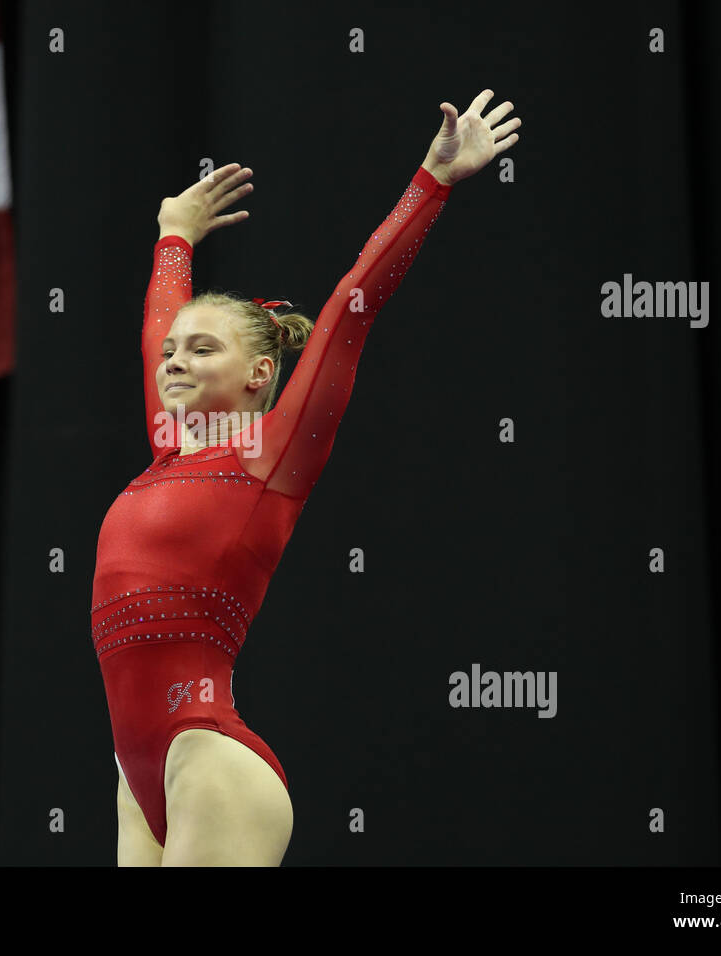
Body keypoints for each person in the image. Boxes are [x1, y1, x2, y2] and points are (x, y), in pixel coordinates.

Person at [91, 90, 522, 865]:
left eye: (202, 351)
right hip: (139, 773)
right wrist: (173, 238)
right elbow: (161, 324)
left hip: (210, 757)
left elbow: (347, 314)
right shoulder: (169, 446)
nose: (175, 361)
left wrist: (431, 182)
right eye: (172, 355)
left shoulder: (268, 458)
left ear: (261, 373)